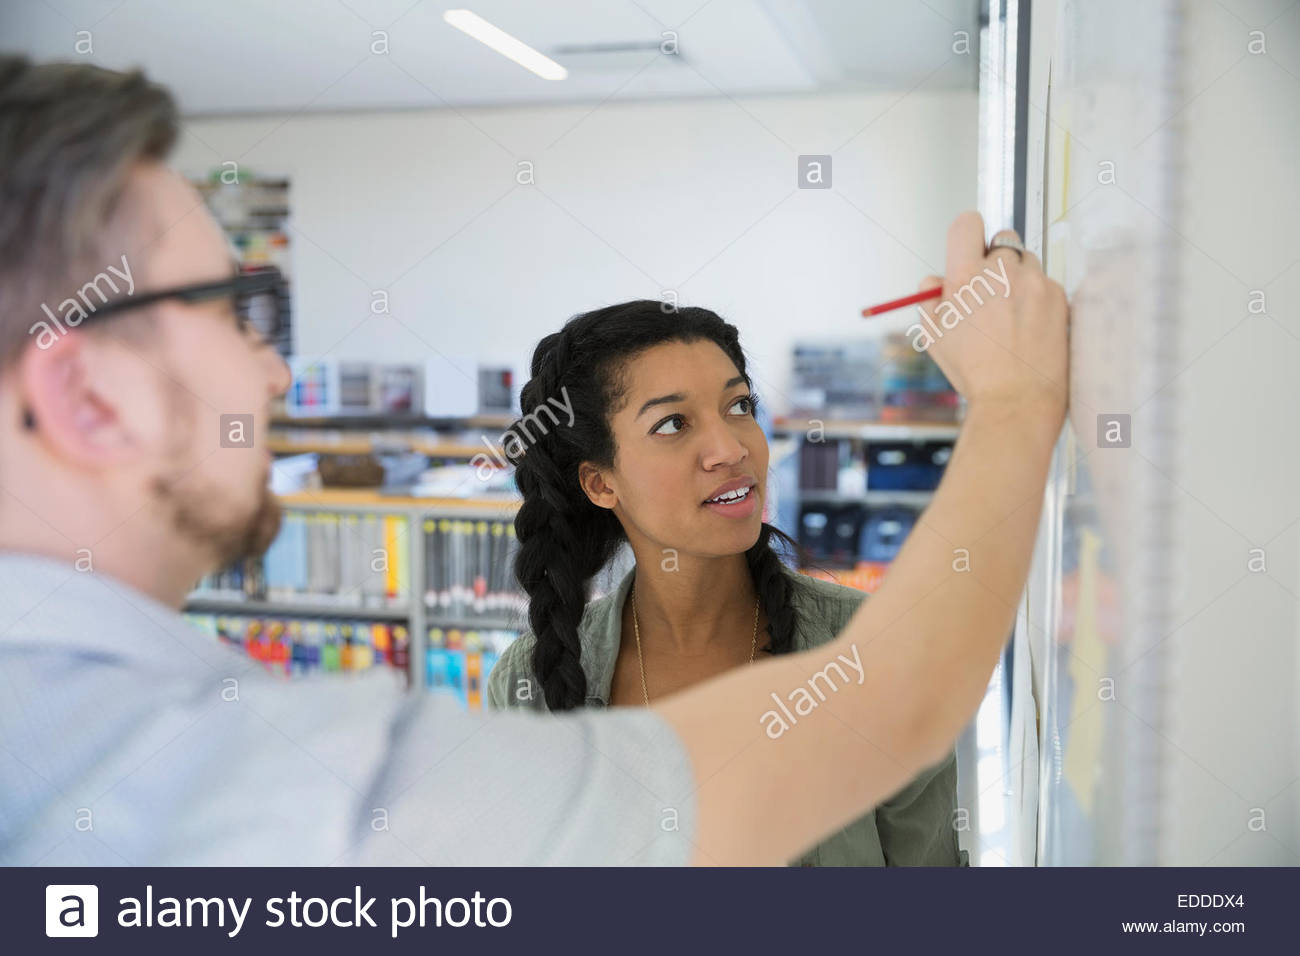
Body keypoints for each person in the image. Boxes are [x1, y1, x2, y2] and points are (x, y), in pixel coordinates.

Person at [0, 58, 1068, 867]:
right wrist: (1016, 397)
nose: (274, 374)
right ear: (86, 396)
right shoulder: (269, 778)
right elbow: (883, 707)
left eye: (739, 407)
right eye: (238, 311)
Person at [487, 301, 964, 866]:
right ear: (600, 482)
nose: (733, 449)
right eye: (673, 423)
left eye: (739, 406)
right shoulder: (530, 686)